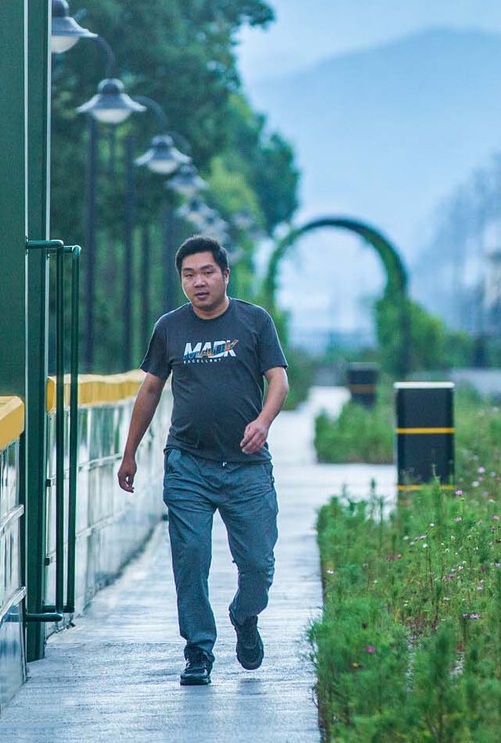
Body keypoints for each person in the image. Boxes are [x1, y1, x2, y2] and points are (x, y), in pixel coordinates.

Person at [118, 234, 290, 687]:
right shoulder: (170, 328)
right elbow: (151, 389)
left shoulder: (255, 322)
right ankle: (198, 650)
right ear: (181, 280)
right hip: (188, 464)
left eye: (207, 272)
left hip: (247, 467)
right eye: (189, 275)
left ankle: (245, 615)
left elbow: (279, 380)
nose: (198, 282)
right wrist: (130, 451)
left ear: (225, 274)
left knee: (258, 564)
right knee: (190, 557)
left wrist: (263, 421)